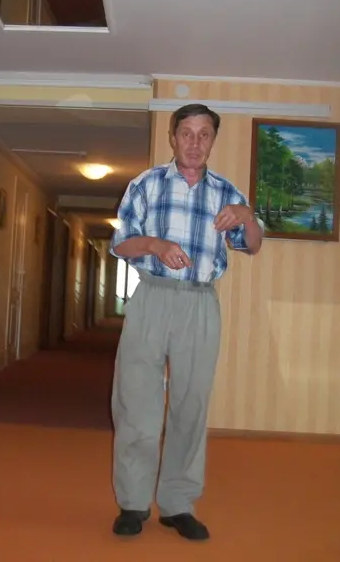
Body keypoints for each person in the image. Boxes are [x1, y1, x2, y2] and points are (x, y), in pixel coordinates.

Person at [109, 103, 264, 541]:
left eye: (204, 134)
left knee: (191, 405)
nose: (194, 143)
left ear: (213, 140)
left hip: (200, 303)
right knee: (136, 401)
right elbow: (120, 244)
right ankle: (133, 502)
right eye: (187, 133)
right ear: (173, 137)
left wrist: (248, 216)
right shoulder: (145, 184)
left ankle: (178, 504)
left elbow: (252, 245)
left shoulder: (226, 192)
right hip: (151, 298)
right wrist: (155, 245)